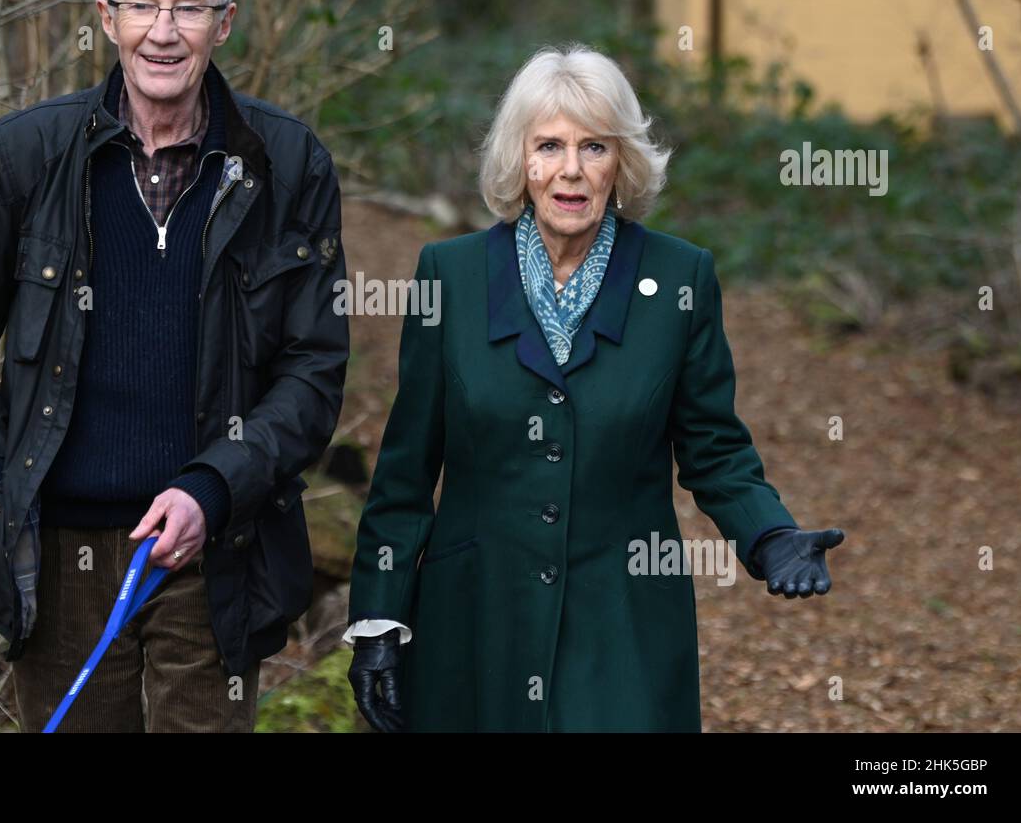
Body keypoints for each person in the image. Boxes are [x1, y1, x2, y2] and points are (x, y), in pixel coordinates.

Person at [0, 0, 349, 732]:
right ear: (107, 18)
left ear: (225, 22)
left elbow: (314, 369)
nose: (163, 31)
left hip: (215, 550)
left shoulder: (288, 164)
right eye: (142, 5)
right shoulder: (24, 156)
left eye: (188, 7)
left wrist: (215, 485)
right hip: (58, 552)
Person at [344, 43, 843, 732]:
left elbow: (715, 451)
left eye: (595, 147)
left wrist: (770, 536)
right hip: (477, 622)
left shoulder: (679, 279)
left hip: (622, 626)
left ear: (624, 162)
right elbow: (404, 473)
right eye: (549, 145)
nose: (570, 171)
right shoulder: (450, 276)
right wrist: (378, 619)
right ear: (520, 159)